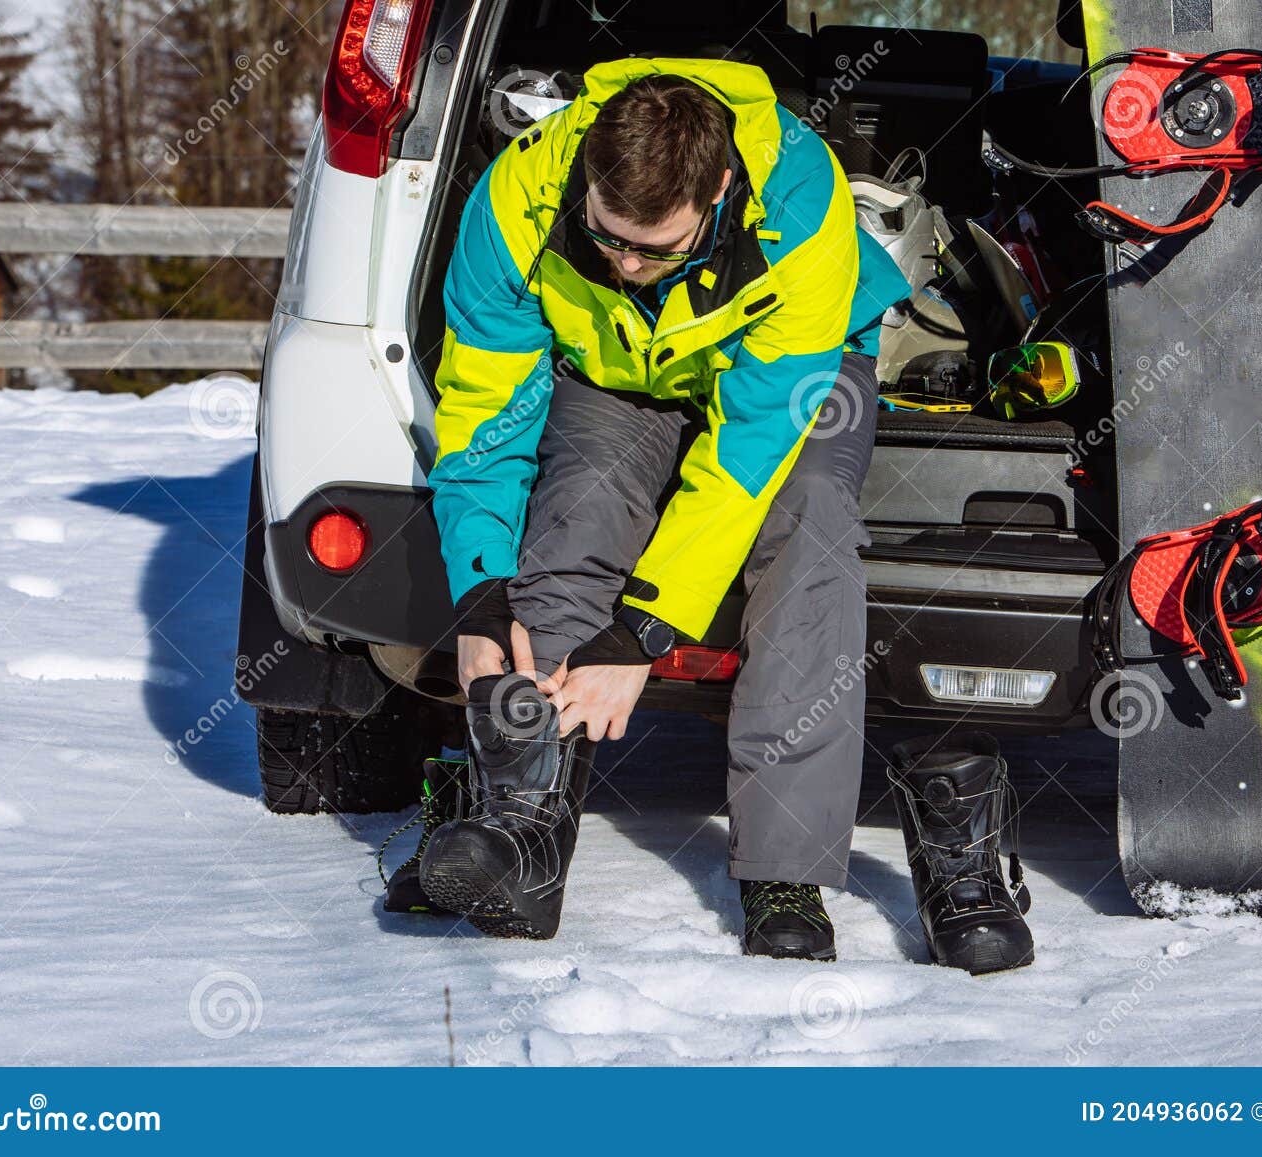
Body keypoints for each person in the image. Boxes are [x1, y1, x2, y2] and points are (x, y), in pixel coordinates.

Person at [400, 56, 999, 963]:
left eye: (658, 248)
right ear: (586, 175)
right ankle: (520, 826)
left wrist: (641, 634)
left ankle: (784, 873)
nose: (629, 265)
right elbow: (485, 419)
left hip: (790, 380)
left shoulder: (802, 210)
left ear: (719, 193)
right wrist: (481, 597)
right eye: (609, 239)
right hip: (621, 374)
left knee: (810, 532)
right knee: (574, 507)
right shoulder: (518, 195)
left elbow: (744, 462)